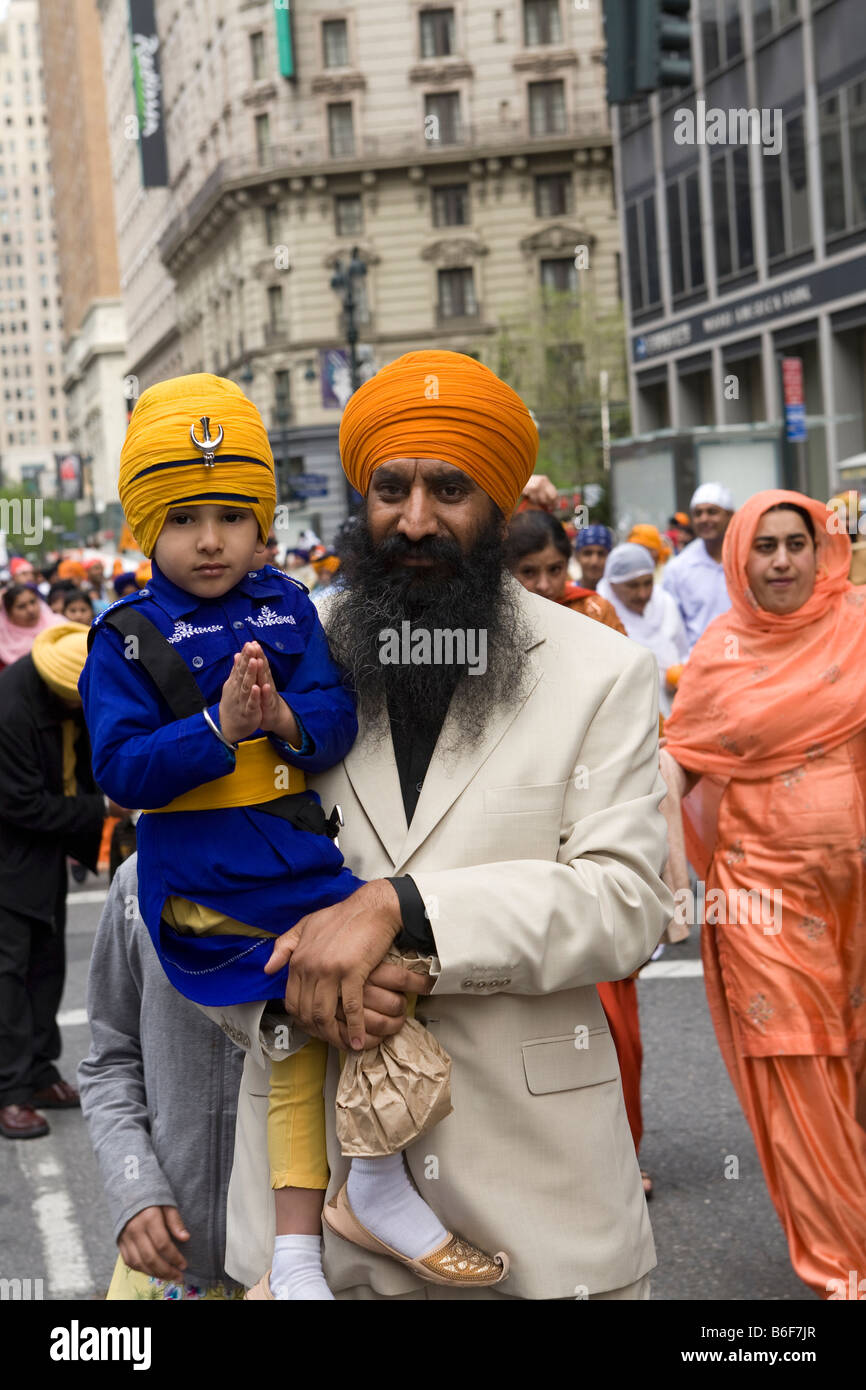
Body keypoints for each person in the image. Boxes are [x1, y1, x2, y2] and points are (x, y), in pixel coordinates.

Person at [219, 348, 672, 1301]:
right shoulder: (277, 656)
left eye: (450, 490)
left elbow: (627, 902)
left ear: (500, 505)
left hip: (539, 1210)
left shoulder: (601, 672)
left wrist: (403, 912)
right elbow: (191, 889)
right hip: (314, 1224)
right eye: (391, 488)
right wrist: (286, 993)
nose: (415, 521)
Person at [80, 371, 504, 1301]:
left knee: (370, 990)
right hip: (202, 887)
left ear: (262, 525)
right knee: (298, 1028)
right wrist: (218, 731)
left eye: (232, 516)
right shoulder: (124, 635)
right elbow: (117, 770)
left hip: (299, 867)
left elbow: (335, 716)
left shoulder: (291, 610)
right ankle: (310, 1245)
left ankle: (349, 1212)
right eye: (184, 518)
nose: (209, 540)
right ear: (145, 527)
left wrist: (286, 722)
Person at [661, 489, 866, 1300]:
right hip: (761, 904)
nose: (782, 561)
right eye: (765, 547)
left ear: (822, 552)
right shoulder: (723, 651)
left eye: (796, 544)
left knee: (848, 1068)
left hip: (856, 902)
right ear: (738, 558)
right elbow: (679, 764)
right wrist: (665, 872)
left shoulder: (857, 629)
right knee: (800, 1072)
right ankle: (842, 1269)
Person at [505, 507, 653, 1196]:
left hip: (596, 841)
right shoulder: (484, 633)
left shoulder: (596, 619)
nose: (542, 584)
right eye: (526, 572)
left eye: (553, 570)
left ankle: (621, 1155)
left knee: (613, 1020)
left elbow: (638, 735)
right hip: (519, 851)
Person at [78, 854, 246, 1300]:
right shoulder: (137, 879)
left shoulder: (325, 880)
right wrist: (132, 1186)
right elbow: (111, 1058)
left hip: (299, 1267)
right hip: (167, 1273)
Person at [0, 623, 106, 1139]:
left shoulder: (68, 701)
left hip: (46, 850)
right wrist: (101, 809)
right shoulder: (13, 709)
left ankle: (41, 1073)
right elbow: (19, 804)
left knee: (47, 965)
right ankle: (11, 1092)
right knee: (9, 977)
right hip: (11, 853)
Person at [598, 543, 689, 718]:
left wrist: (679, 677)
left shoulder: (665, 603)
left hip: (674, 709)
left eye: (648, 583)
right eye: (632, 586)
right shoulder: (601, 614)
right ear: (612, 585)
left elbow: (683, 652)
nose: (643, 594)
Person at [504, 510, 625, 632]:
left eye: (554, 569)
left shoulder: (597, 612)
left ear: (567, 565)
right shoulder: (491, 616)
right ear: (508, 571)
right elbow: (482, 651)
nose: (544, 585)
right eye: (529, 572)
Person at [662, 482, 733, 651]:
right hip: (696, 665)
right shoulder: (678, 568)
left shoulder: (748, 561)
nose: (704, 519)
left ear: (730, 515)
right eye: (698, 513)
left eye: (712, 512)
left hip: (745, 663)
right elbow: (671, 625)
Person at [0, 581, 62, 673]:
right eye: (21, 607)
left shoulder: (59, 625)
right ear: (8, 613)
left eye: (33, 602)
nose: (30, 610)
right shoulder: (3, 642)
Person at [574, 523, 614, 591]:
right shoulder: (564, 594)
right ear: (577, 556)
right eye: (587, 553)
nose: (594, 562)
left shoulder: (619, 596)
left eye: (601, 554)